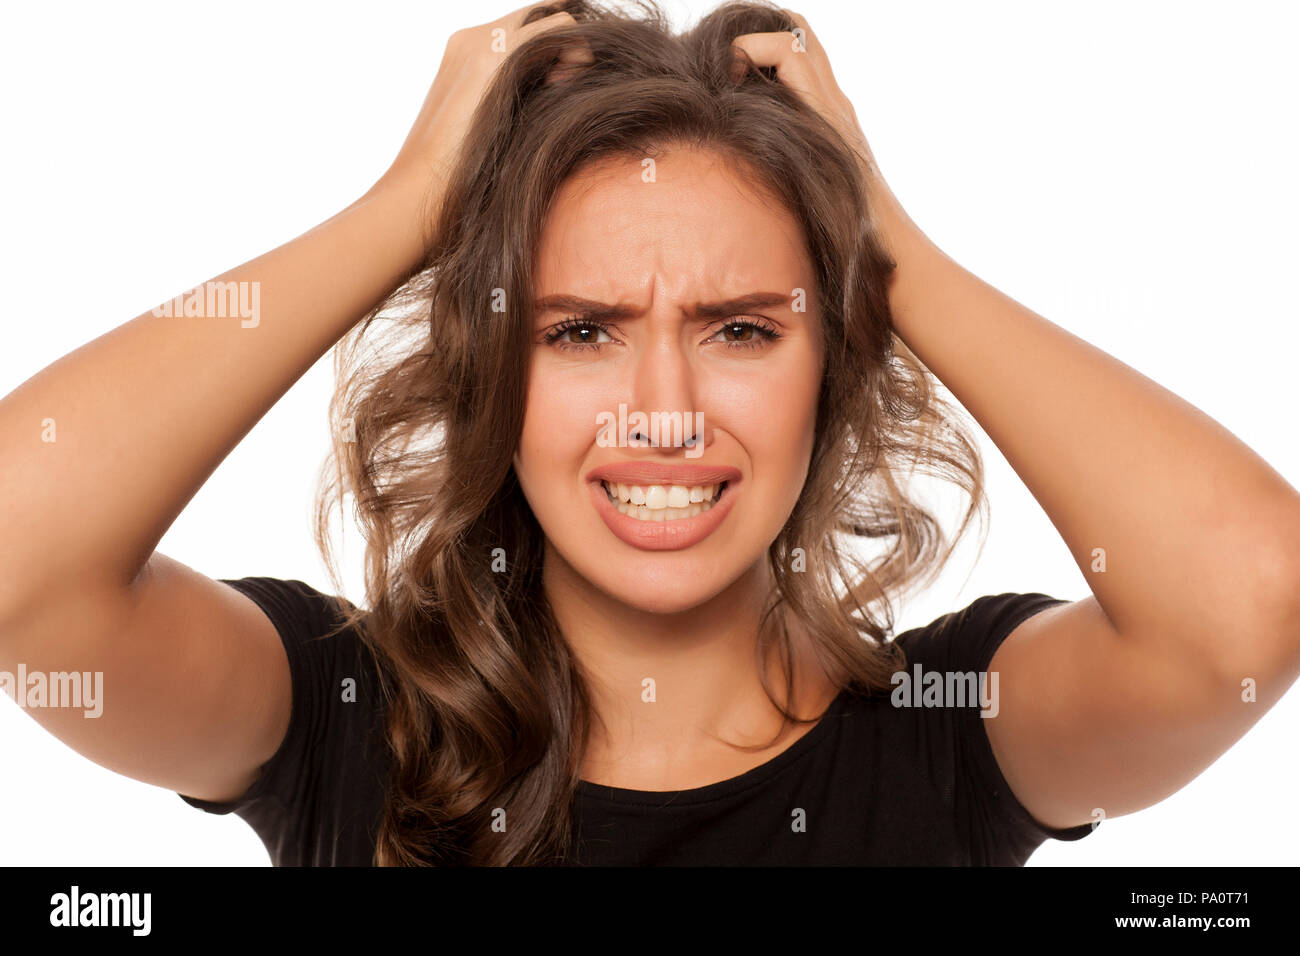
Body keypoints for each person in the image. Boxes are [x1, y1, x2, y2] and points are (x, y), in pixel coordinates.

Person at [2, 0, 1298, 867]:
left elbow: (1252, 598)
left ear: (832, 366)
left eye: (743, 328)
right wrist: (405, 209)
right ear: (488, 372)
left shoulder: (949, 732)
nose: (665, 413)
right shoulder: (347, 720)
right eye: (580, 330)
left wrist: (884, 249)